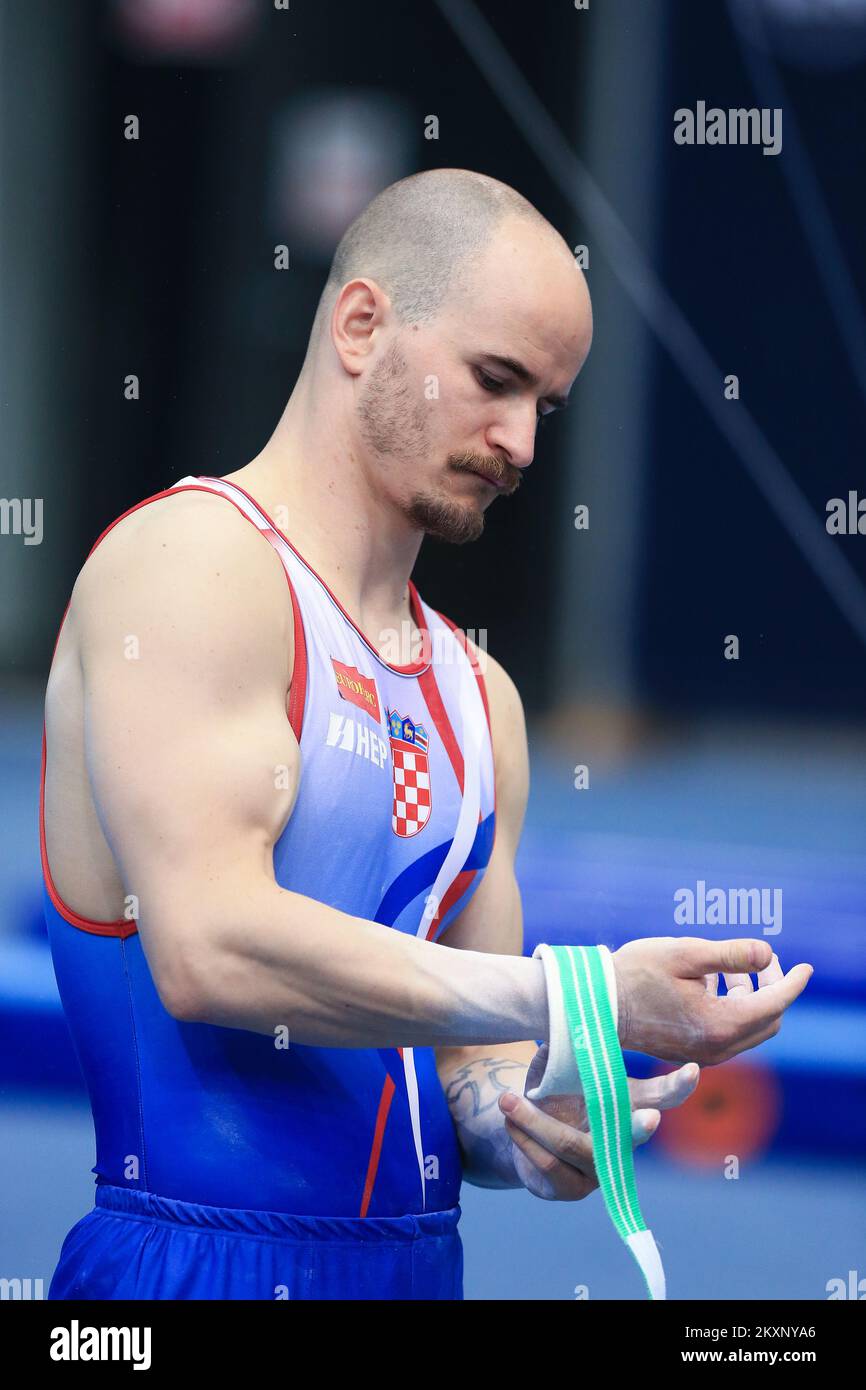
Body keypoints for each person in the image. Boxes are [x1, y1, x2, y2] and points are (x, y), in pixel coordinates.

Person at [41, 168, 812, 1300]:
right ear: (360, 325)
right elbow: (211, 949)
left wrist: (536, 1126)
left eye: (544, 407)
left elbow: (466, 1060)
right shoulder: (192, 568)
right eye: (495, 381)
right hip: (186, 1266)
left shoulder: (478, 696)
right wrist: (580, 998)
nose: (520, 445)